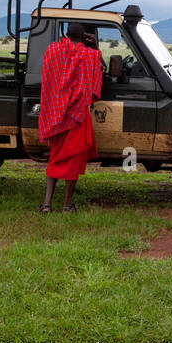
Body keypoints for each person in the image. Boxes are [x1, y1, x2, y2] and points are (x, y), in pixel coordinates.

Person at [37, 23, 102, 213]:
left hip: (57, 114)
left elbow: (48, 76)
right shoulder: (90, 55)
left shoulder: (53, 51)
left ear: (65, 34)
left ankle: (47, 203)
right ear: (84, 36)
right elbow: (99, 70)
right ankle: (66, 205)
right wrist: (95, 45)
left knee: (55, 158)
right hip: (77, 116)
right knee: (73, 161)